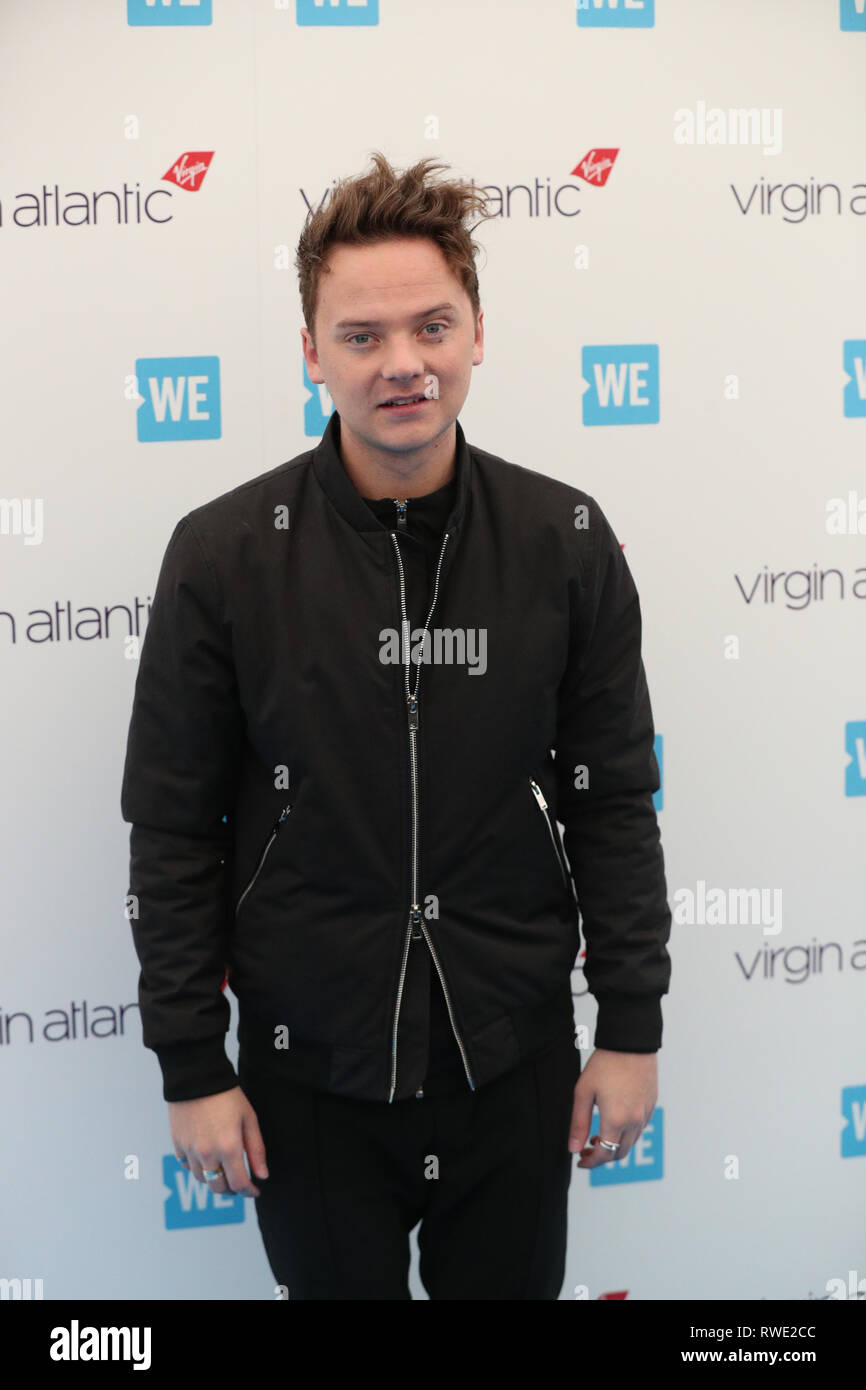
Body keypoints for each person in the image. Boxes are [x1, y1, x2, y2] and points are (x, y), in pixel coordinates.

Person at [120, 151, 671, 1300]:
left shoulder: (564, 539)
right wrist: (188, 1062)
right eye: (362, 336)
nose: (402, 363)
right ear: (312, 353)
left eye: (431, 325)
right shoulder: (222, 553)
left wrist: (629, 1024)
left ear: (476, 332)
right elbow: (174, 825)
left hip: (510, 1064)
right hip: (306, 1075)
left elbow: (610, 797)